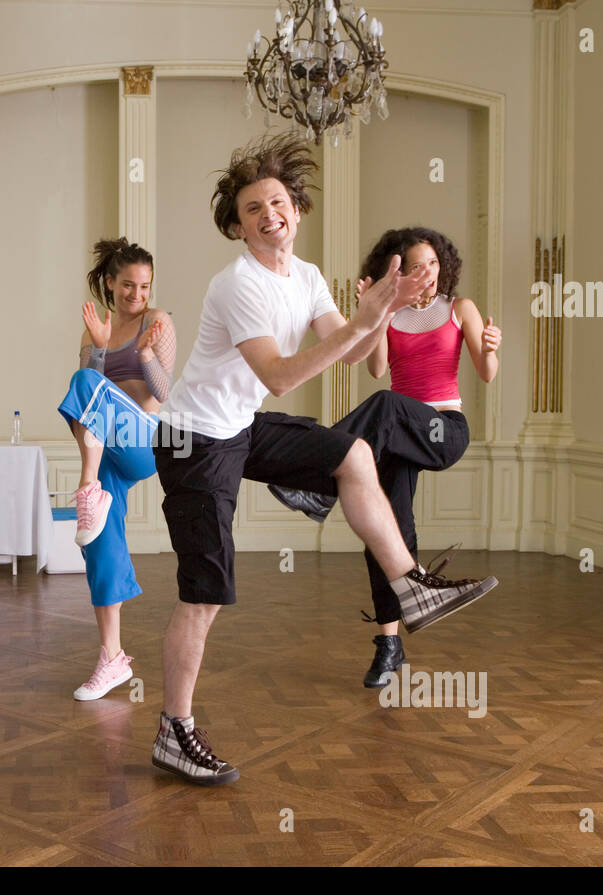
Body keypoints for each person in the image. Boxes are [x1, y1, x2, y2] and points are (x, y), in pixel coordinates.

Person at [150, 134, 498, 786]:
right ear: (237, 225)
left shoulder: (305, 277)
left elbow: (355, 350)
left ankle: (411, 588)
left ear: (298, 210)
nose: (269, 214)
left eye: (278, 202)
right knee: (206, 594)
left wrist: (383, 310)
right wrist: (367, 319)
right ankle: (175, 730)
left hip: (239, 427)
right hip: (194, 442)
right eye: (253, 208)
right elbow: (282, 377)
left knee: (355, 453)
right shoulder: (237, 286)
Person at [269, 227, 502, 688]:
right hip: (396, 434)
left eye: (433, 264)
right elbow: (377, 368)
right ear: (399, 273)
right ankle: (390, 645)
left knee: (386, 403)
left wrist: (492, 350)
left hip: (441, 428)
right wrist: (374, 315)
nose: (427, 273)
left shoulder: (461, 309)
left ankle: (315, 482)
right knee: (388, 528)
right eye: (416, 266)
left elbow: (486, 374)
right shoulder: (392, 317)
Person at [56, 238, 176, 701]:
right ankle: (112, 657)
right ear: (111, 283)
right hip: (106, 450)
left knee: (85, 380)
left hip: (144, 441)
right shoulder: (95, 330)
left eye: (144, 286)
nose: (136, 295)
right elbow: (87, 406)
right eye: (128, 285)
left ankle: (87, 488)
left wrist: (145, 354)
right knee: (98, 543)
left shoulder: (158, 321)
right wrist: (101, 348)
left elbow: (162, 393)